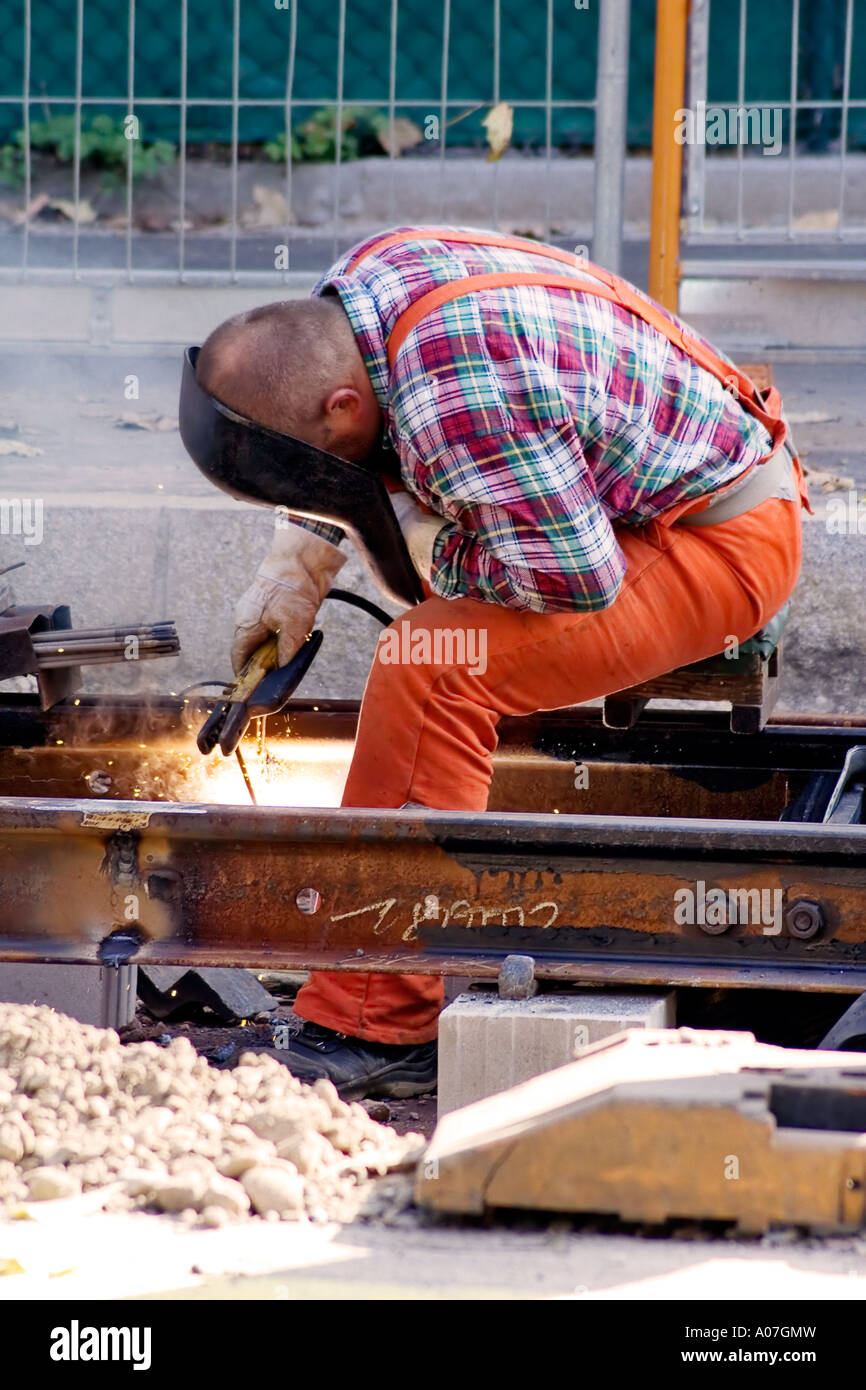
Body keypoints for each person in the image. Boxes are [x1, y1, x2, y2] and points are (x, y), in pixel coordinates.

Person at [194, 225, 809, 1100]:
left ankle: (374, 1026)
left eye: (316, 462)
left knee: (432, 663)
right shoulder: (357, 294)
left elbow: (574, 576)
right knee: (435, 623)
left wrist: (416, 540)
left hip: (719, 535)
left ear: (340, 407)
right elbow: (353, 460)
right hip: (631, 485)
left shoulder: (456, 400)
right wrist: (296, 565)